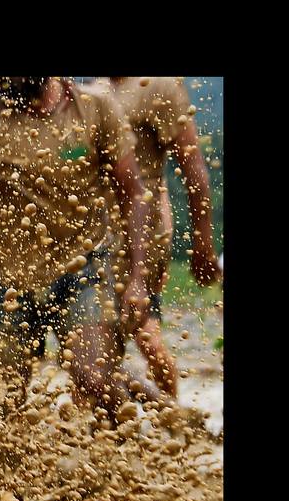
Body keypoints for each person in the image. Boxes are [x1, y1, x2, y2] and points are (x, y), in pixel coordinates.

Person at [0, 77, 152, 420]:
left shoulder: (93, 109)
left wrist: (138, 276)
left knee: (93, 378)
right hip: (12, 282)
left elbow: (134, 193)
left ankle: (121, 450)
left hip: (83, 268)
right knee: (0, 402)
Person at [92, 76, 223, 399]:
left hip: (143, 233)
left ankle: (171, 417)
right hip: (96, 236)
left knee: (143, 334)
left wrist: (202, 246)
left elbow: (194, 173)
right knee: (97, 345)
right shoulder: (93, 92)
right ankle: (109, 425)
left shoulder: (159, 87)